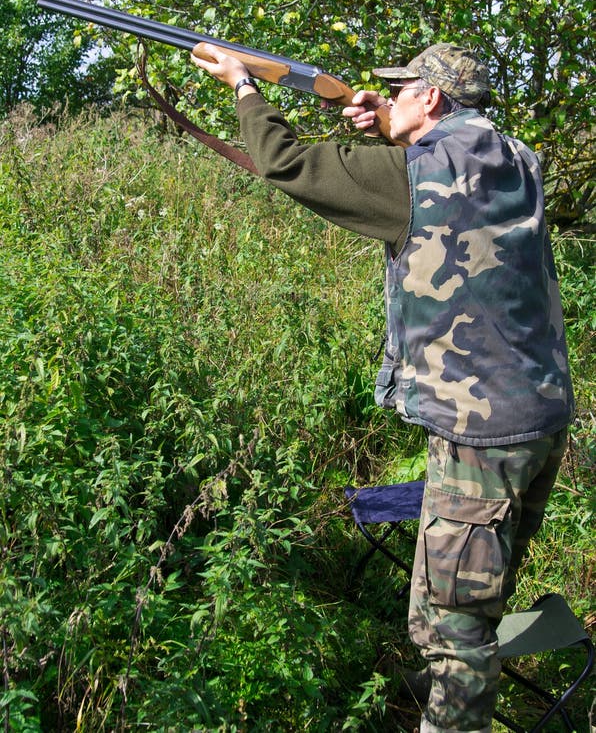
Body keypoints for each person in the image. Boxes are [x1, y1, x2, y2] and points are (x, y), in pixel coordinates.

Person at [191, 42, 574, 733]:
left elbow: (287, 163)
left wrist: (244, 86)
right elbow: (438, 161)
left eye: (400, 91)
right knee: (475, 606)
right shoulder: (518, 159)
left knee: (452, 632)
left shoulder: (412, 171)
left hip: (476, 435)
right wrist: (372, 113)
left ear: (429, 99)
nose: (387, 97)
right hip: (539, 419)